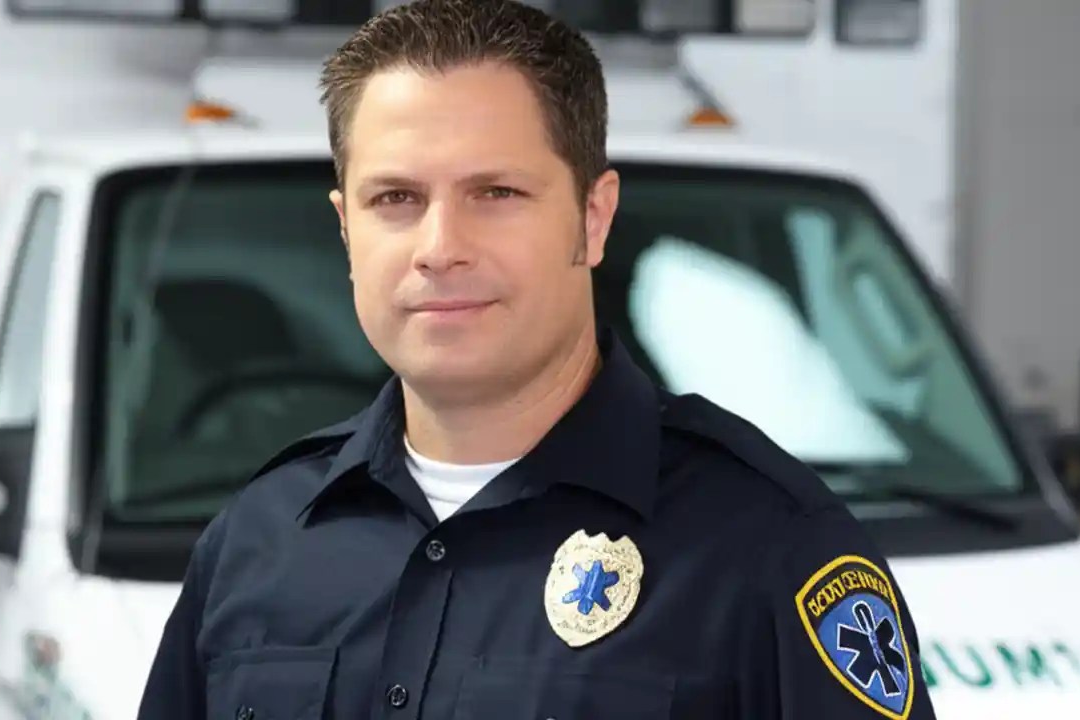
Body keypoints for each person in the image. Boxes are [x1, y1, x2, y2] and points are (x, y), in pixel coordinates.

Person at [137, 1, 937, 718]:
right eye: (396, 199)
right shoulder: (257, 542)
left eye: (496, 194)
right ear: (347, 229)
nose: (439, 248)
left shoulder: (769, 550)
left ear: (593, 217)